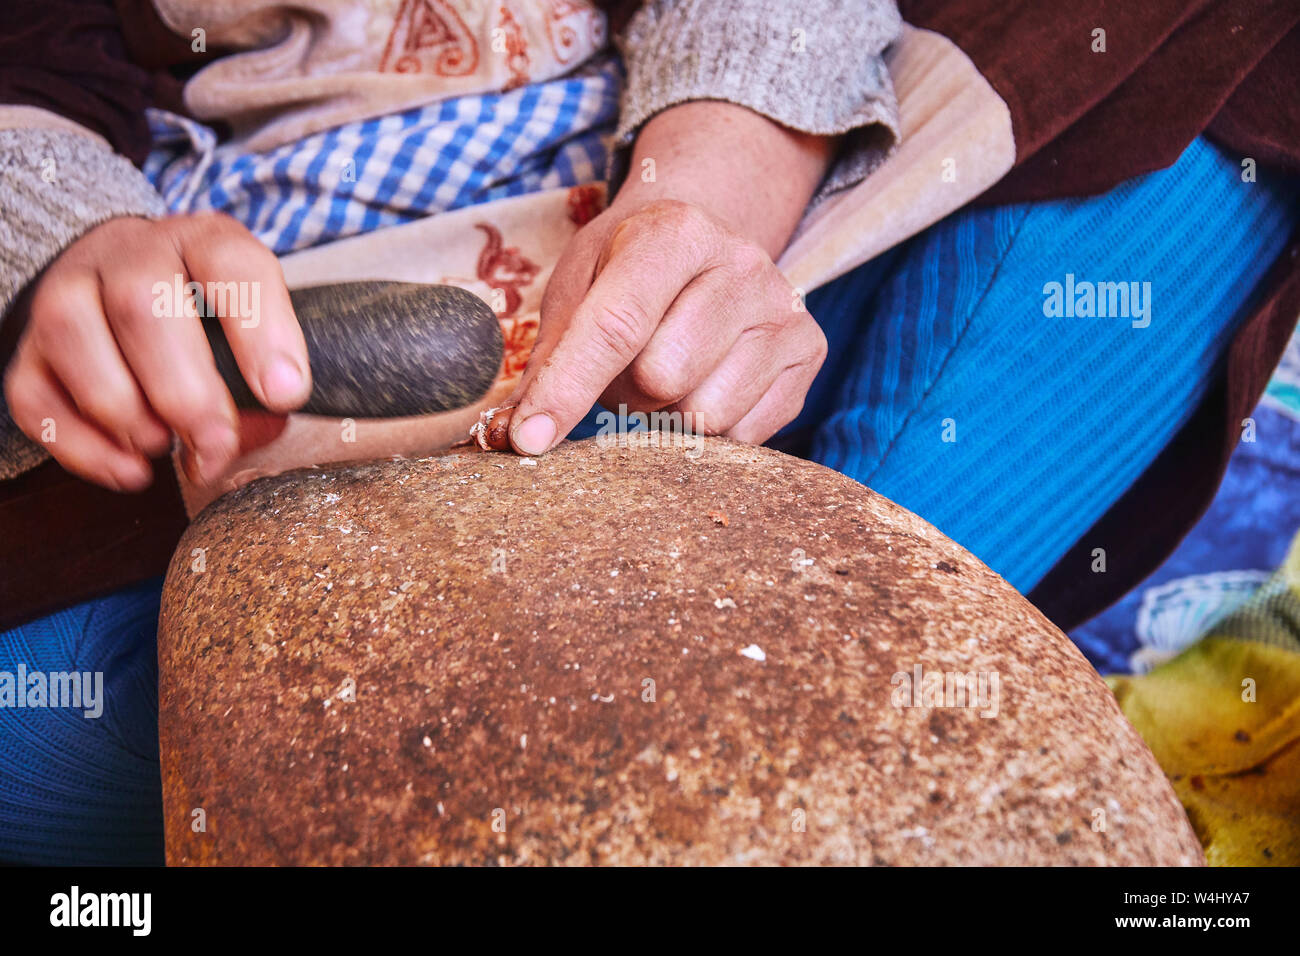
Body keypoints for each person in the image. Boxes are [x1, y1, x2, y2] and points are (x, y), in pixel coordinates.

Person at [0, 0, 1296, 864]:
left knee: (1204, 65)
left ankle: (801, 641)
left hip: (751, 202)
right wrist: (73, 260)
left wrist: (709, 196)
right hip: (269, 290)